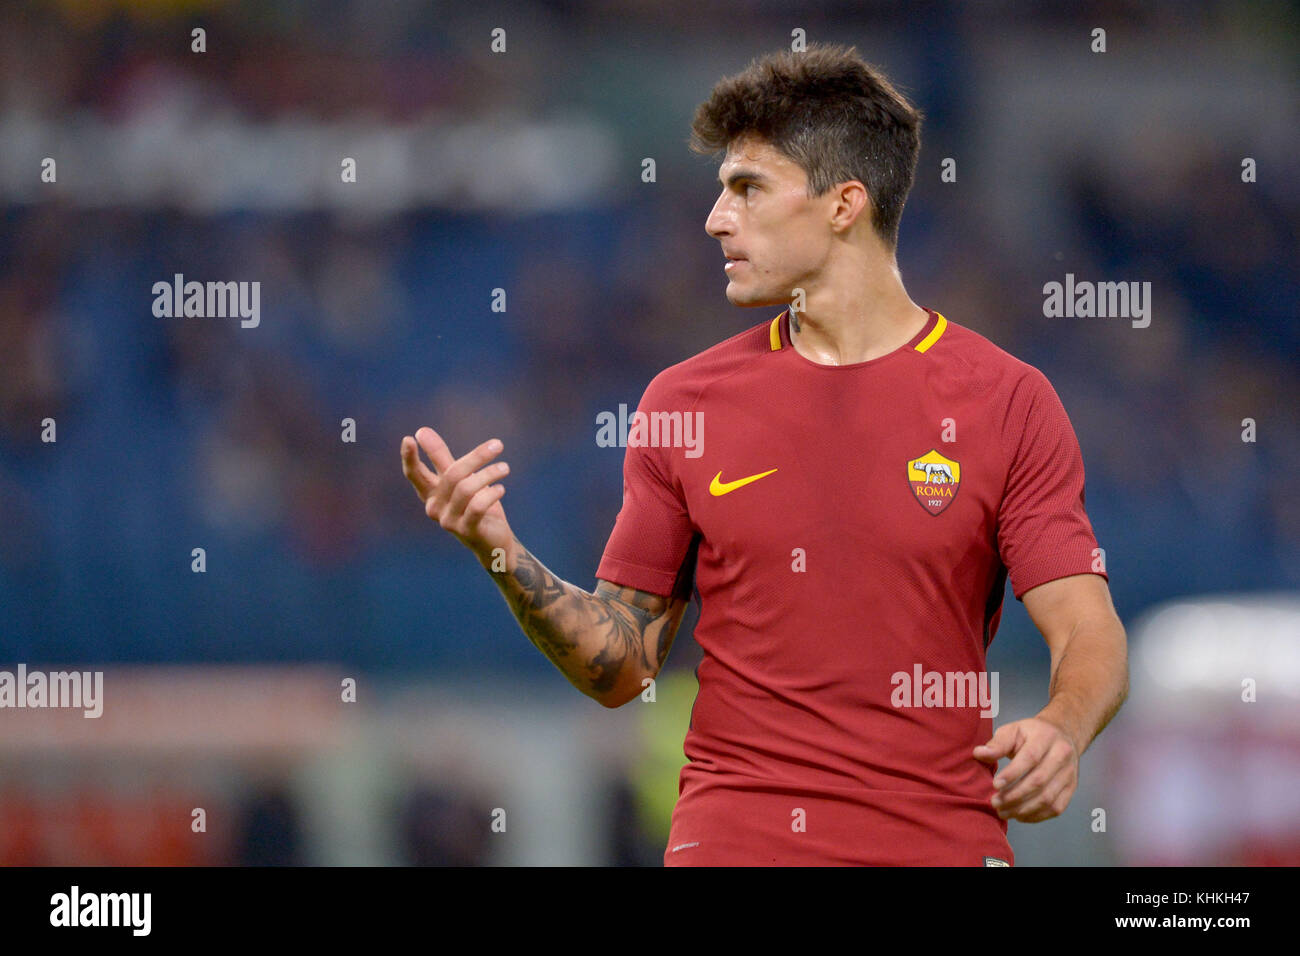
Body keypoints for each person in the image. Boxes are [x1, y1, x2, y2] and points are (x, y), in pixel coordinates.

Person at [401, 43, 1128, 866]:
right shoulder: (684, 403)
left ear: (844, 204)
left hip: (942, 842)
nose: (716, 218)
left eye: (747, 188)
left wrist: (1062, 730)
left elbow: (1088, 629)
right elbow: (622, 667)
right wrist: (500, 553)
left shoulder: (1008, 401)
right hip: (738, 843)